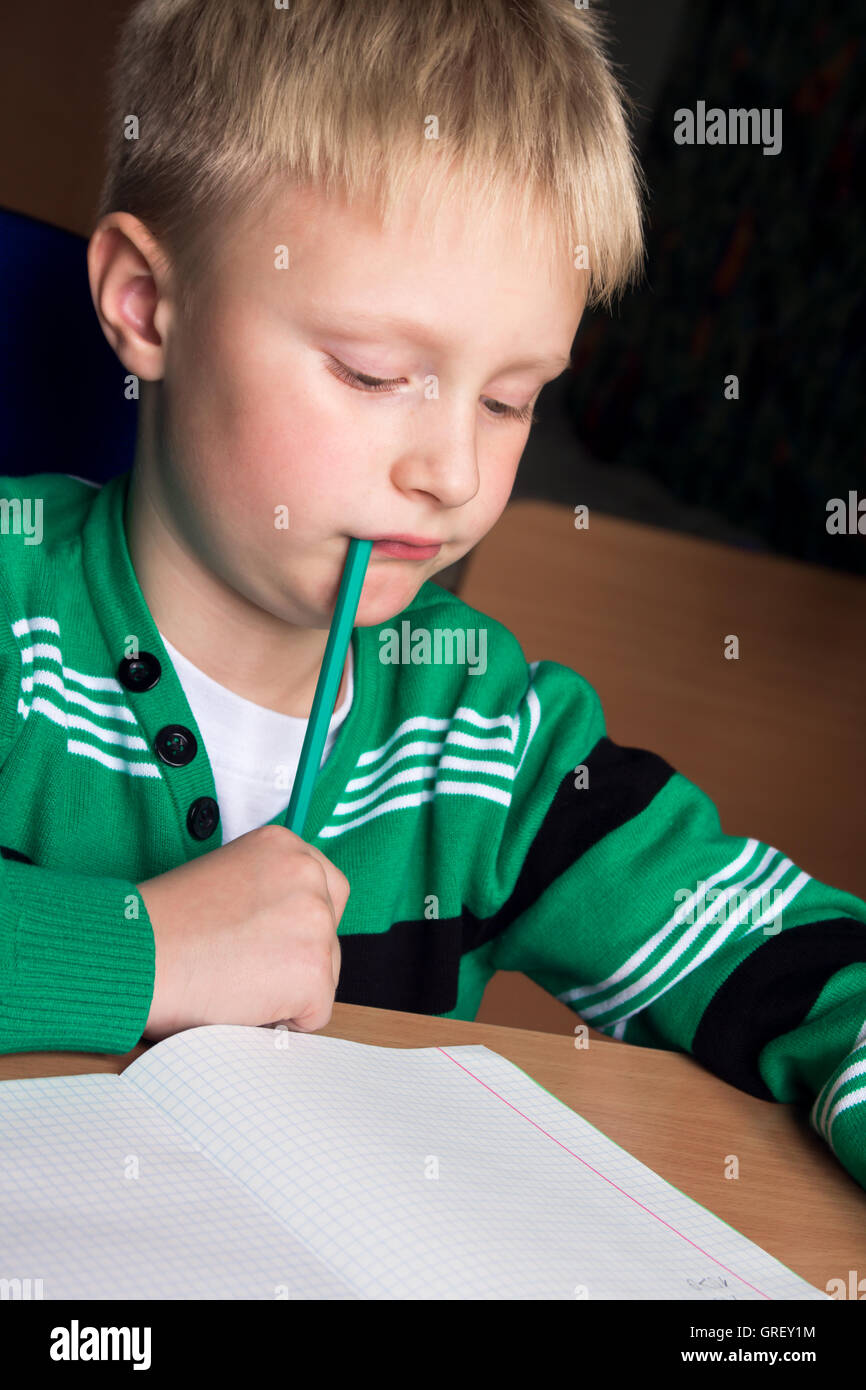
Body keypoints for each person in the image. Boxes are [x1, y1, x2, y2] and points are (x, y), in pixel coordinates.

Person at [1, 0, 864, 1195]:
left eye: (507, 400)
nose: (453, 473)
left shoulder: (486, 732)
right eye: (372, 374)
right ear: (147, 302)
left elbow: (783, 958)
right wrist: (141, 953)